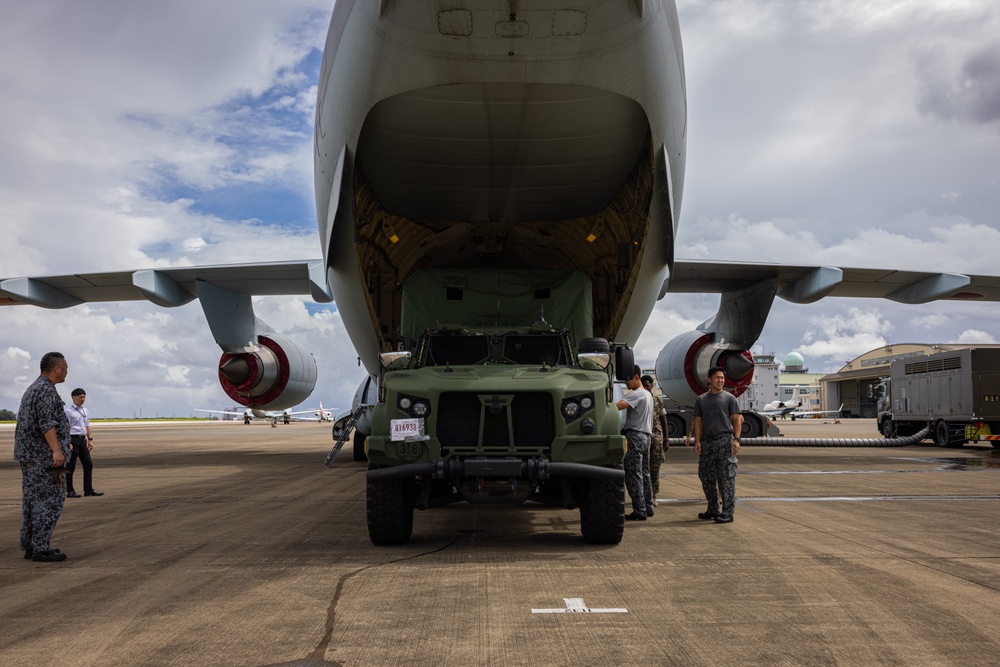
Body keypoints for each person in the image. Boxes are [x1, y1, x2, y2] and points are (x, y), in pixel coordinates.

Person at [14, 351, 72, 562]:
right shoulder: (46, 391)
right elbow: (47, 423)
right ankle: (40, 547)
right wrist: (57, 450)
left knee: (32, 500)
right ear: (57, 368)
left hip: (31, 456)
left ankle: (31, 545)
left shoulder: (33, 389)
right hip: (43, 458)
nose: (67, 371)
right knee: (49, 500)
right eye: (65, 367)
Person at [691, 365, 743, 523]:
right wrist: (697, 441)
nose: (720, 380)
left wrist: (736, 439)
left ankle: (728, 513)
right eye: (717, 378)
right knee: (706, 476)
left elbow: (737, 419)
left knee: (726, 478)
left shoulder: (729, 398)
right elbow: (698, 422)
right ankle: (713, 508)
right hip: (707, 442)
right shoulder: (701, 400)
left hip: (724, 441)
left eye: (722, 378)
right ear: (710, 379)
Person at [616, 365, 654, 521]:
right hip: (646, 436)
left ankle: (639, 510)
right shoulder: (648, 394)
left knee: (633, 474)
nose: (626, 384)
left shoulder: (636, 394)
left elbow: (618, 406)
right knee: (645, 473)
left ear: (636, 377)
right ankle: (648, 506)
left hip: (635, 436)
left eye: (628, 380)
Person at [64, 388, 103, 498]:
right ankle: (69, 490)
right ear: (73, 397)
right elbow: (65, 428)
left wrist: (90, 439)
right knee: (70, 466)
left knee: (88, 464)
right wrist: (68, 443)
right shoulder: (68, 412)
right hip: (72, 439)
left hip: (82, 440)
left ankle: (88, 489)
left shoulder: (85, 410)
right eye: (80, 397)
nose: (82, 399)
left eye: (84, 397)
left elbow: (87, 426)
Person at [640, 375, 669, 506]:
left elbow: (663, 419)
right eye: (643, 385)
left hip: (656, 438)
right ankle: (642, 495)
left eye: (648, 385)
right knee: (641, 469)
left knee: (654, 469)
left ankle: (653, 495)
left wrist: (666, 439)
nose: (646, 387)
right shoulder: (639, 399)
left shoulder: (658, 400)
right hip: (642, 437)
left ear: (652, 385)